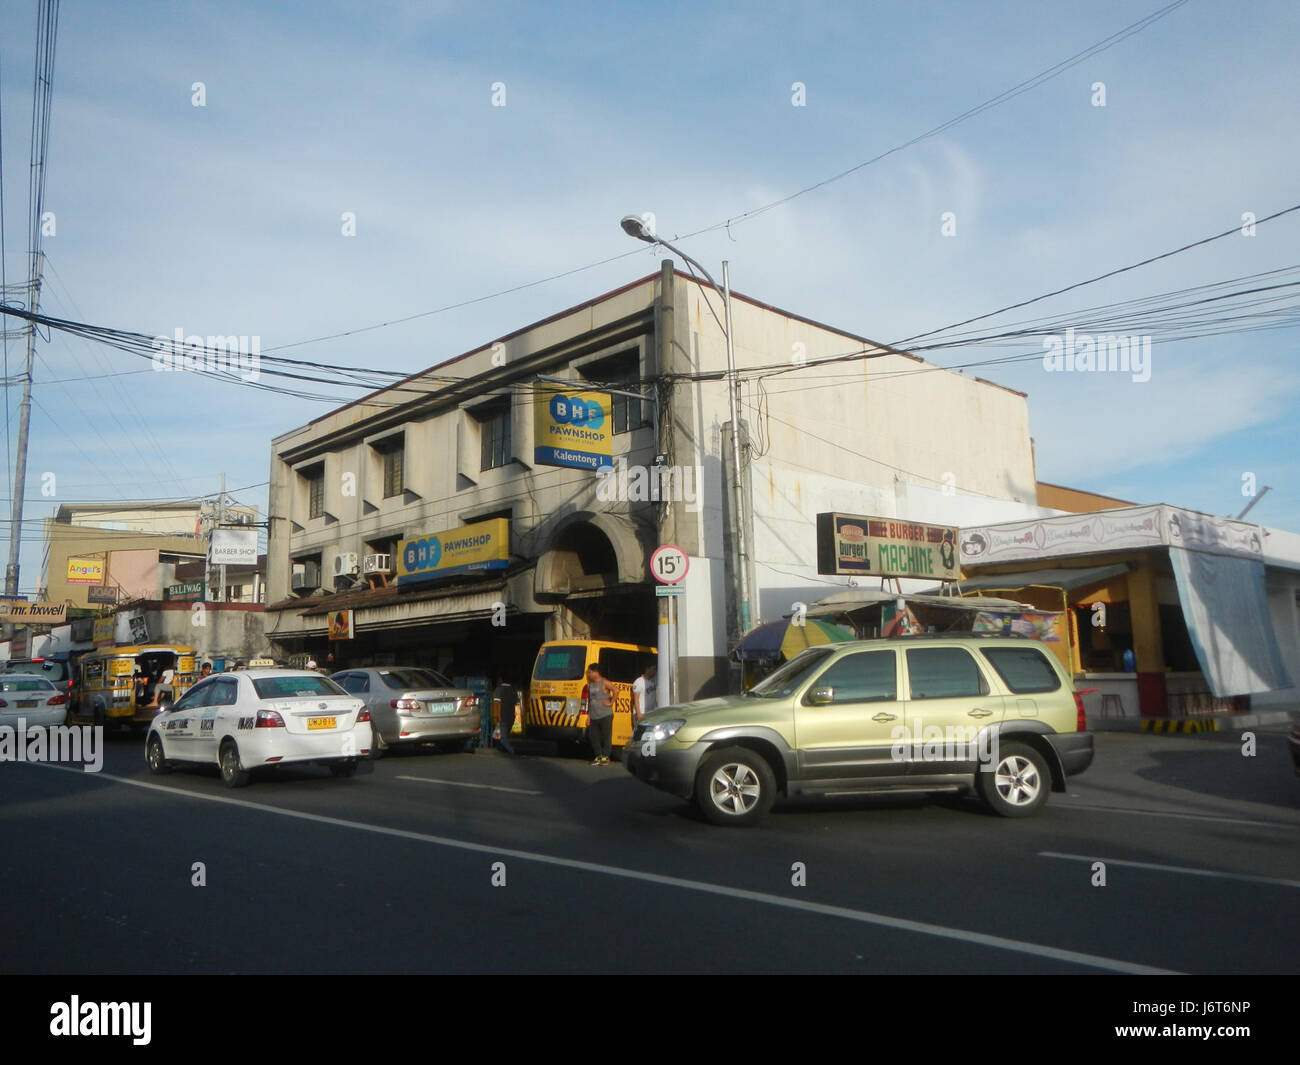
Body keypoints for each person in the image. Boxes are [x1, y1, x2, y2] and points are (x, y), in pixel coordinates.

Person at [585, 664, 614, 765]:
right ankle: (598, 756)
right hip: (594, 715)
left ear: (596, 672)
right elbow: (590, 700)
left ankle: (605, 758)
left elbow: (616, 690)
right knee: (593, 736)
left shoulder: (604, 682)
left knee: (606, 736)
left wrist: (611, 702)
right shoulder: (590, 685)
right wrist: (588, 716)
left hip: (605, 714)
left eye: (590, 672)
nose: (589, 674)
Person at [492, 674, 518, 756]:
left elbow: (497, 704)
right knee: (505, 736)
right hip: (511, 717)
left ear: (501, 680)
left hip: (502, 717)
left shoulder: (499, 689)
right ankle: (504, 752)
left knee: (502, 738)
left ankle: (512, 751)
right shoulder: (513, 690)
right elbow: (516, 703)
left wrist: (497, 716)